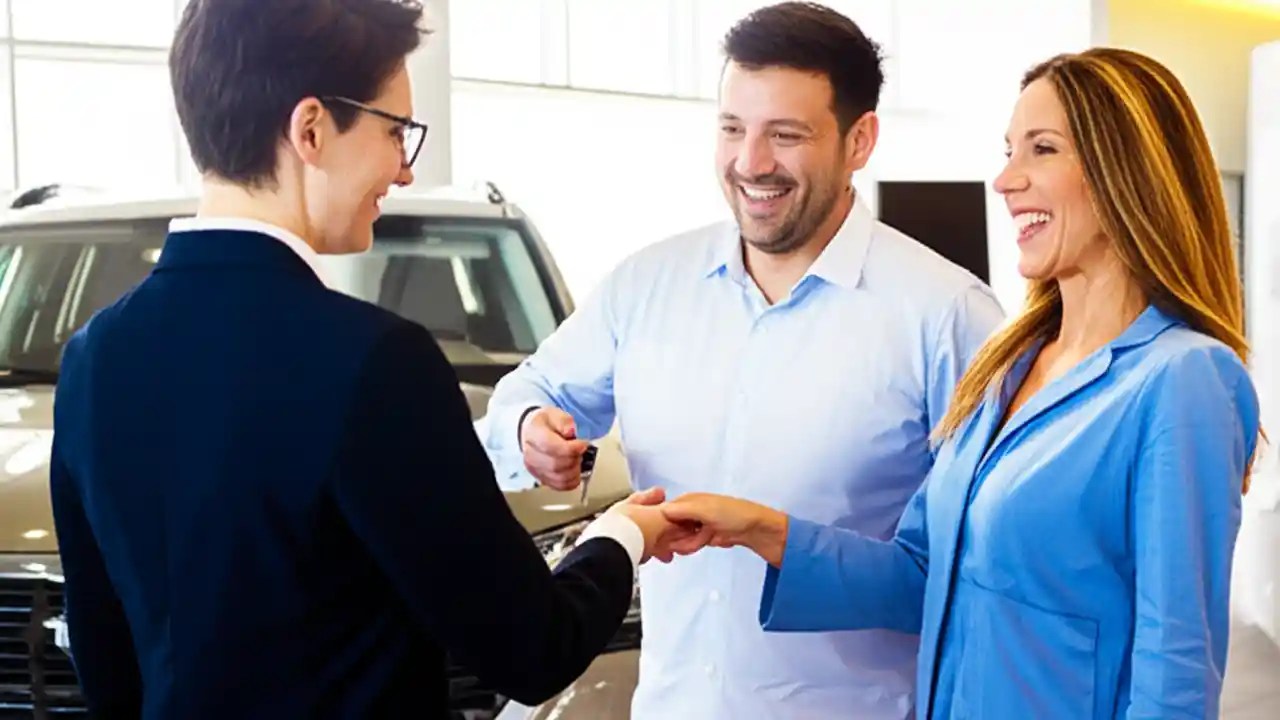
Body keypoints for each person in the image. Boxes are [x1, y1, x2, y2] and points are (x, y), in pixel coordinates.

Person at [47, 1, 693, 717]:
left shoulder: (93, 358)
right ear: (312, 128)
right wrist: (622, 535)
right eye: (396, 132)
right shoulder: (374, 363)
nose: (403, 170)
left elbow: (103, 660)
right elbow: (531, 647)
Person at [660, 47, 1263, 720]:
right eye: (1009, 149)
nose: (1006, 179)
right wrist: (758, 527)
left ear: (1127, 170)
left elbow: (1176, 664)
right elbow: (925, 573)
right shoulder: (1008, 366)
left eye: (1042, 149)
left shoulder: (1183, 379)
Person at [481, 3, 1004, 718]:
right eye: (732, 128)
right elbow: (526, 393)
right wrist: (529, 432)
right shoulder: (647, 286)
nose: (750, 163)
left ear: (860, 140)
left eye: (785, 135)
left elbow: (980, 572)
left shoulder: (948, 317)